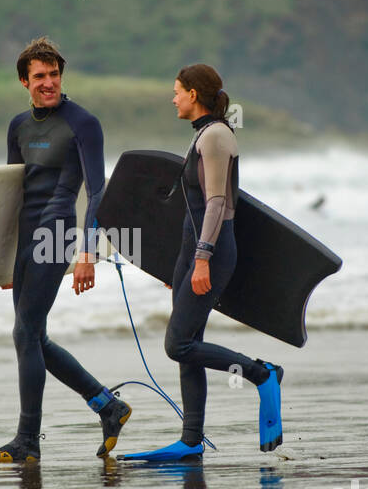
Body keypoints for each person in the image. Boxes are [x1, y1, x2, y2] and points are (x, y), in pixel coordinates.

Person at [0, 37, 131, 463]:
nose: (49, 83)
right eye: (40, 77)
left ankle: (28, 441)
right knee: (34, 338)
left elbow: (98, 192)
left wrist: (87, 254)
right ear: (24, 81)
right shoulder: (18, 127)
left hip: (59, 230)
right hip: (27, 236)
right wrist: (8, 258)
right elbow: (12, 192)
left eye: (54, 75)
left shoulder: (83, 123)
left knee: (24, 333)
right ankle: (107, 405)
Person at [121, 64, 283, 462]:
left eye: (177, 91)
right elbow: (190, 208)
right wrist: (176, 263)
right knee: (189, 341)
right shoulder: (203, 135)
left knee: (178, 344)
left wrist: (202, 259)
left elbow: (217, 203)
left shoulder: (215, 137)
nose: (172, 98)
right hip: (191, 250)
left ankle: (262, 374)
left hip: (210, 249)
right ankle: (191, 440)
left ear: (194, 94)